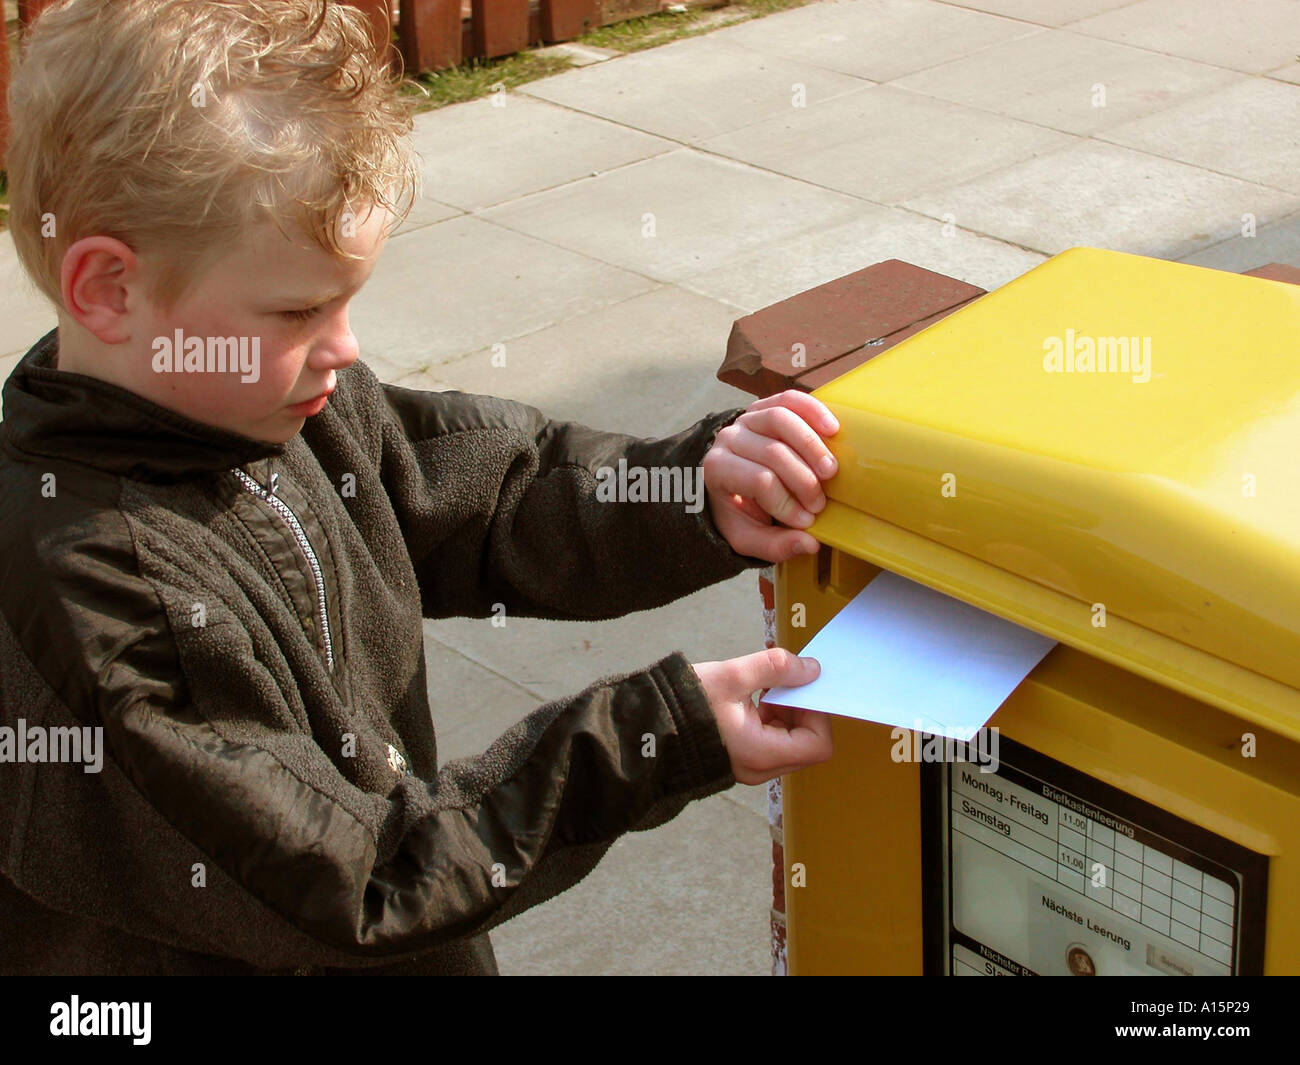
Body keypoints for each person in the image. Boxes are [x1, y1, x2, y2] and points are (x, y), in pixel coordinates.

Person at [0, 0, 836, 975]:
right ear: (109, 289)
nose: (345, 349)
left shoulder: (267, 400)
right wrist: (646, 740)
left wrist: (687, 488)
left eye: (346, 300)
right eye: (300, 309)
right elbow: (350, 878)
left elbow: (486, 495)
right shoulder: (89, 596)